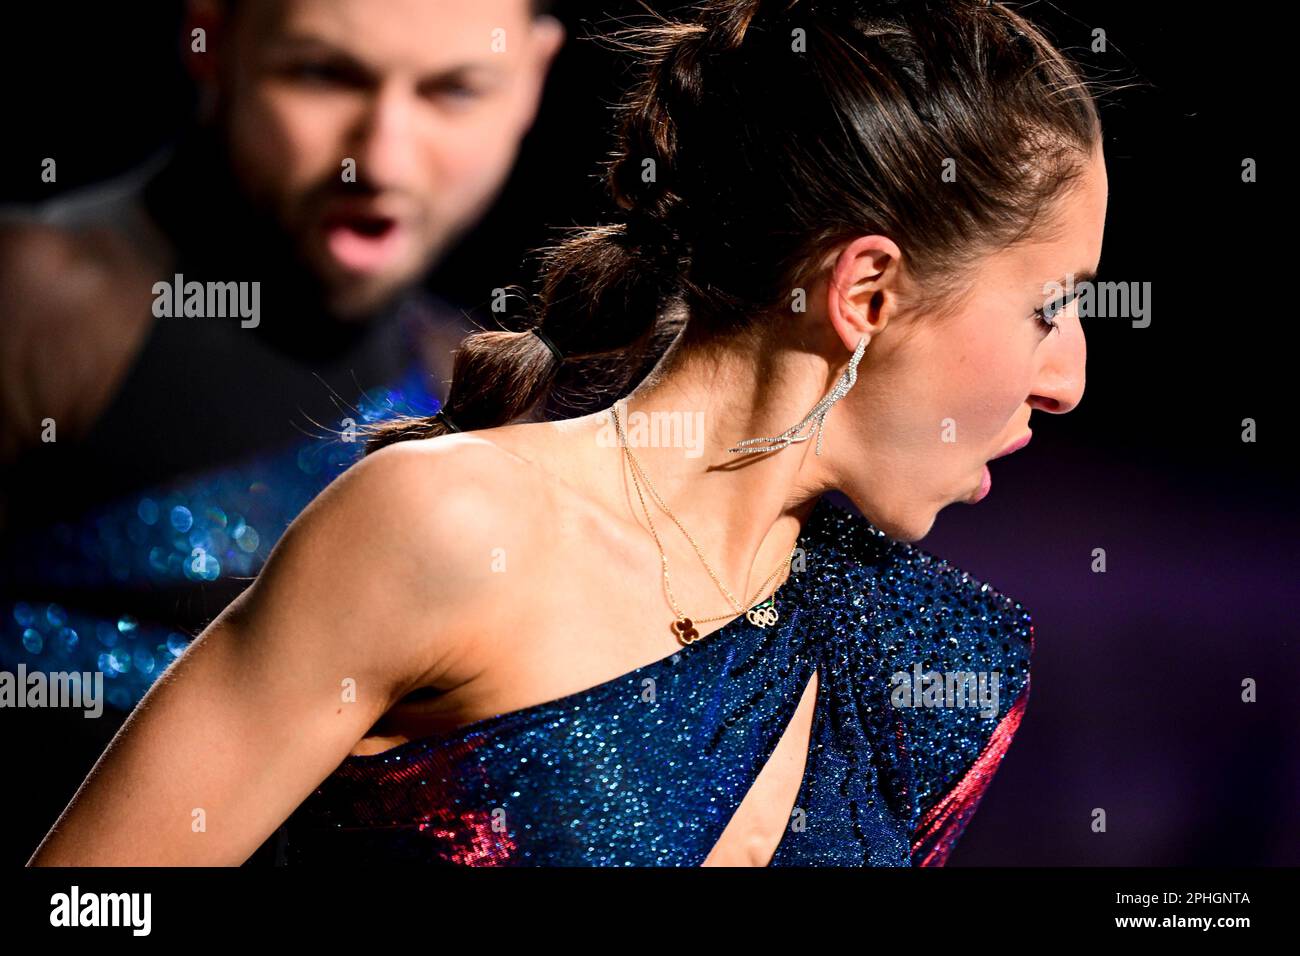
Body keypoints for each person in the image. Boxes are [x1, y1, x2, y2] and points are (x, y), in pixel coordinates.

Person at [28, 0, 1107, 867]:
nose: (1066, 379)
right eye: (1048, 306)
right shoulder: (447, 525)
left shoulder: (921, 657)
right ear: (865, 290)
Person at [1, 0, 562, 865]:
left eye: (454, 90)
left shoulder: (479, 384)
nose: (380, 156)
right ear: (212, 39)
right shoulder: (36, 304)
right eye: (324, 74)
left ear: (531, 76)